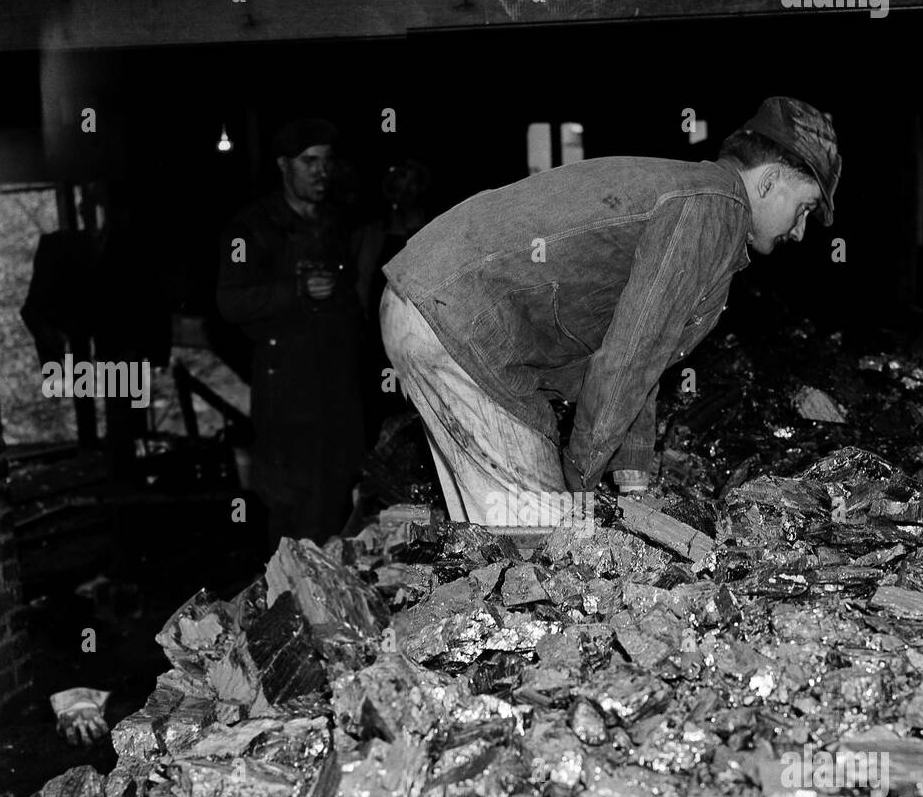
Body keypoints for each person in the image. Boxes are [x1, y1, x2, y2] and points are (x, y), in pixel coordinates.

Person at [379, 96, 840, 528]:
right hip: (460, 321)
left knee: (495, 544)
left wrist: (633, 477)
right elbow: (629, 357)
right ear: (770, 179)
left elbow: (643, 348)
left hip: (430, 305)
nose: (799, 232)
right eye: (804, 208)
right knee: (548, 545)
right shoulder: (713, 207)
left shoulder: (694, 196)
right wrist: (580, 480)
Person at [217, 118, 367, 548]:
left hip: (337, 388)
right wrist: (295, 290)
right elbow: (231, 302)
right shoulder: (249, 229)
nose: (321, 171)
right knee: (292, 506)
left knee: (340, 499)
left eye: (326, 162)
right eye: (309, 162)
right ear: (284, 165)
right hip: (286, 390)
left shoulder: (335, 225)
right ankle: (289, 602)